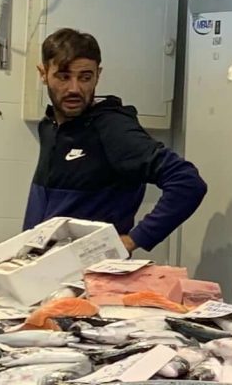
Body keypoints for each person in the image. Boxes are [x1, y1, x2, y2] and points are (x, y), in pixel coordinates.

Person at [24, 28, 206, 255]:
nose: (74, 88)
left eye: (85, 77)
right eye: (63, 76)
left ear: (98, 75)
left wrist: (134, 239)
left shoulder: (112, 127)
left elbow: (187, 182)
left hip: (90, 270)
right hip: (40, 265)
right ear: (43, 73)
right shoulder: (49, 126)